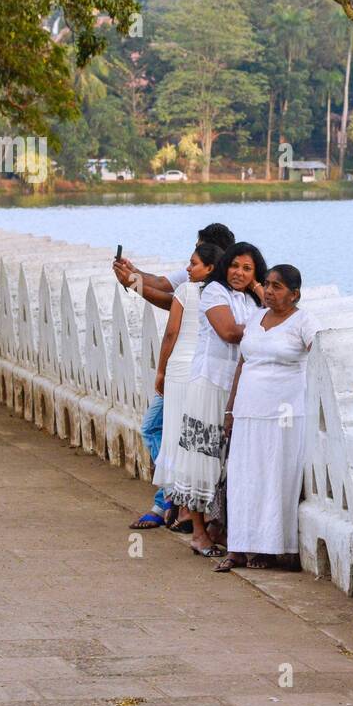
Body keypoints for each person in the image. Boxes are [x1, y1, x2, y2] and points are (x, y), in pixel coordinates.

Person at [117, 223, 236, 530]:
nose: (188, 264)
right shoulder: (206, 284)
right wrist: (133, 276)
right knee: (187, 437)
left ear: (212, 261)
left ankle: (174, 500)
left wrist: (161, 371)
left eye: (195, 258)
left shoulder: (204, 287)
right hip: (205, 374)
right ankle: (182, 503)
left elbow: (172, 318)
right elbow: (161, 285)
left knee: (169, 433)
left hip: (186, 371)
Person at [215, 265, 319, 573]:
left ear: (294, 294)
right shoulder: (256, 317)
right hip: (249, 409)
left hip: (284, 413)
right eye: (268, 284)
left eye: (277, 287)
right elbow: (243, 363)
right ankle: (237, 548)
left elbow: (322, 358)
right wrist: (230, 409)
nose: (269, 291)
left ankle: (269, 548)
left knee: (275, 478)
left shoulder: (305, 321)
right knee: (242, 477)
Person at [169, 241, 265, 557]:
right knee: (202, 455)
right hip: (209, 383)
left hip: (238, 387)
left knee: (231, 460)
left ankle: (217, 525)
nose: (239, 272)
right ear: (225, 265)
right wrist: (266, 319)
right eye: (235, 265)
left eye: (247, 268)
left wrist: (261, 299)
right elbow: (229, 332)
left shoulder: (251, 299)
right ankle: (198, 532)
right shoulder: (213, 292)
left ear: (256, 273)